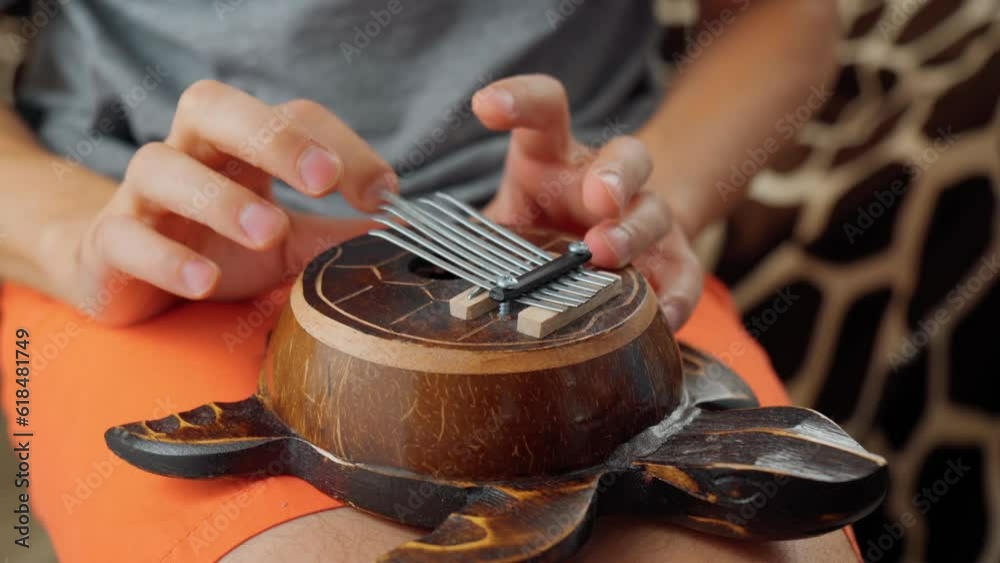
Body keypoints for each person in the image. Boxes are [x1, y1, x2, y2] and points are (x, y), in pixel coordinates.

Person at [0, 0, 856, 561]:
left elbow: (785, 15)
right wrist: (76, 231)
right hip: (156, 241)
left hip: (574, 257)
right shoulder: (124, 235)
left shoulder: (592, 237)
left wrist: (632, 198)